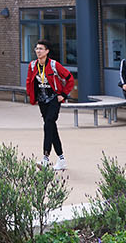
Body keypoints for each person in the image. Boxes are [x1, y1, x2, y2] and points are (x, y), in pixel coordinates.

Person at [25, 40, 74, 171]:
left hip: (54, 99)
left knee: (48, 124)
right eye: (36, 48)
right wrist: (32, 96)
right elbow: (29, 81)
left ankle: (45, 158)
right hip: (42, 100)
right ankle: (61, 159)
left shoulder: (54, 65)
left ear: (47, 51)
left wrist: (63, 94)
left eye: (41, 49)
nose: (38, 51)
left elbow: (70, 78)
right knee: (51, 127)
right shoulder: (32, 65)